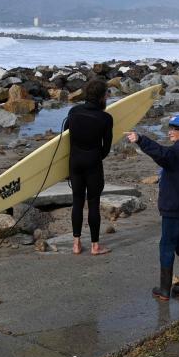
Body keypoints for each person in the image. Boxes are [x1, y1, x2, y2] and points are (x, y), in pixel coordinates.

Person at [127, 116, 179, 301]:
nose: (170, 131)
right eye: (170, 128)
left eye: (174, 129)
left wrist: (140, 139)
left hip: (174, 208)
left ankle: (164, 290)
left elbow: (162, 154)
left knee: (166, 246)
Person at [66, 79, 113, 256]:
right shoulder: (105, 118)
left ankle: (76, 244)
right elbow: (106, 147)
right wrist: (94, 157)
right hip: (93, 163)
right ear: (102, 97)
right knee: (93, 203)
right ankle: (95, 246)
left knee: (77, 202)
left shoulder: (73, 112)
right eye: (107, 95)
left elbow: (65, 138)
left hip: (75, 163)